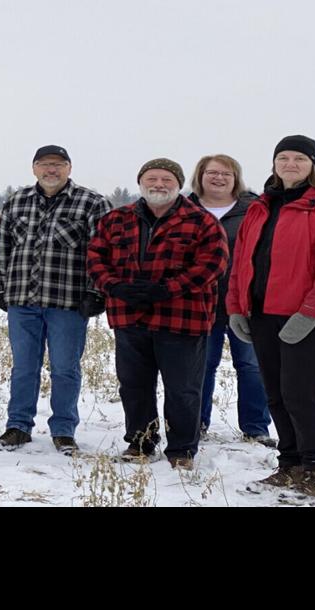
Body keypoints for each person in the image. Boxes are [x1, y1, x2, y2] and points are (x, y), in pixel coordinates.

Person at [225, 135, 315, 497]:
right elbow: (241, 262)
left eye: (299, 158)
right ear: (274, 164)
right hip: (263, 313)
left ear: (313, 165)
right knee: (276, 394)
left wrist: (310, 313)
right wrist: (236, 307)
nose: (290, 164)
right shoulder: (260, 207)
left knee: (301, 394)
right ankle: (290, 464)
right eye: (283, 157)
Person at [87, 157, 228, 469]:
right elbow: (96, 257)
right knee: (134, 386)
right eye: (152, 179)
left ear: (179, 184)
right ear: (141, 183)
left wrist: (168, 289)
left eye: (167, 180)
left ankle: (181, 450)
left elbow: (212, 264)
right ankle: (140, 443)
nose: (159, 185)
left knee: (183, 389)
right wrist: (115, 286)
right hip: (129, 317)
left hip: (181, 318)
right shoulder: (116, 220)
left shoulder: (201, 221)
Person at [0, 145, 110, 455]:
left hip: (67, 302)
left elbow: (103, 251)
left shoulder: (92, 203)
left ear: (69, 168)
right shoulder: (17, 201)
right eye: (44, 164)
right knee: (23, 367)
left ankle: (64, 430)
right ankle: (18, 426)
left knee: (65, 368)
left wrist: (96, 292)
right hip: (22, 300)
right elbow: (2, 247)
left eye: (58, 164)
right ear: (34, 168)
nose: (51, 170)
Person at [186, 154, 271, 445]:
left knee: (251, 366)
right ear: (200, 176)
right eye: (212, 173)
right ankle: (196, 423)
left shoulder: (254, 209)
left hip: (245, 302)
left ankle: (256, 427)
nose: (219, 178)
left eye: (226, 174)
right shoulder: (185, 209)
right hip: (199, 303)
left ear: (236, 179)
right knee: (201, 366)